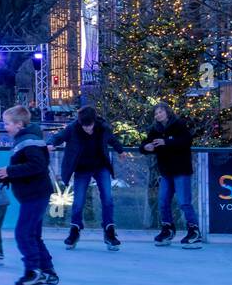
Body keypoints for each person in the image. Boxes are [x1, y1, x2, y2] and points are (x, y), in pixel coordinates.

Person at [48, 105, 126, 250]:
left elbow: (112, 139)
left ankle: (109, 231)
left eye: (90, 126)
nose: (88, 129)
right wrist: (50, 144)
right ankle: (75, 230)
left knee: (107, 198)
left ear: (94, 121)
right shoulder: (73, 128)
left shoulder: (102, 127)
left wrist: (120, 151)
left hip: (100, 166)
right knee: (78, 201)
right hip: (82, 169)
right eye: (85, 126)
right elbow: (59, 136)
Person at [0, 105, 57, 285]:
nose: (5, 127)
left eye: (7, 123)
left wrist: (11, 171)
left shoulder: (28, 141)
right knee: (33, 235)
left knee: (23, 233)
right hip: (35, 193)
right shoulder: (26, 139)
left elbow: (37, 165)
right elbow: (28, 167)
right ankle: (48, 272)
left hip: (35, 194)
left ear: (19, 124)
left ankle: (33, 272)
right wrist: (7, 175)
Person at [140, 102, 201, 248]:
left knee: (184, 202)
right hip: (166, 172)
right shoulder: (156, 129)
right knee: (163, 201)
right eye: (156, 113)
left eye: (160, 112)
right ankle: (167, 229)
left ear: (167, 112)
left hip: (181, 170)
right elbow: (145, 144)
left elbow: (186, 141)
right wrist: (146, 147)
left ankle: (194, 231)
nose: (158, 115)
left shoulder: (179, 125)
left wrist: (166, 142)